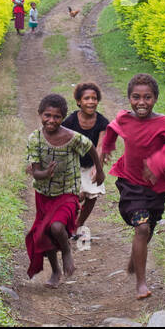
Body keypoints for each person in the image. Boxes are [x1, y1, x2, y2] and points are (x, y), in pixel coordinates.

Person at [98, 73, 165, 299]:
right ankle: (141, 284)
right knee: (142, 227)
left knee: (149, 227)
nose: (141, 102)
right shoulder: (125, 118)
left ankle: (135, 257)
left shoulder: (164, 123)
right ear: (129, 98)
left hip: (156, 188)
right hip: (130, 183)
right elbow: (113, 127)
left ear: (155, 98)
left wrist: (157, 163)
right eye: (136, 97)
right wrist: (107, 147)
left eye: (147, 97)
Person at [25, 93, 101, 287]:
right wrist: (45, 173)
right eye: (47, 116)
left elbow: (91, 146)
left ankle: (66, 251)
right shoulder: (35, 139)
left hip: (67, 191)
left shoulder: (71, 137)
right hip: (43, 194)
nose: (51, 120)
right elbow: (35, 172)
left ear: (63, 117)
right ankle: (56, 271)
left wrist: (99, 171)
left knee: (57, 227)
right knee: (44, 234)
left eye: (57, 117)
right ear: (40, 114)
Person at [62, 82, 109, 235]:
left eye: (94, 98)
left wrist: (98, 167)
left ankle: (78, 224)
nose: (91, 101)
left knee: (92, 194)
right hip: (73, 164)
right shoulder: (70, 121)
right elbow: (63, 141)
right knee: (77, 195)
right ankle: (69, 219)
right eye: (86, 98)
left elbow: (101, 146)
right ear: (79, 102)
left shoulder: (102, 122)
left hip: (91, 164)